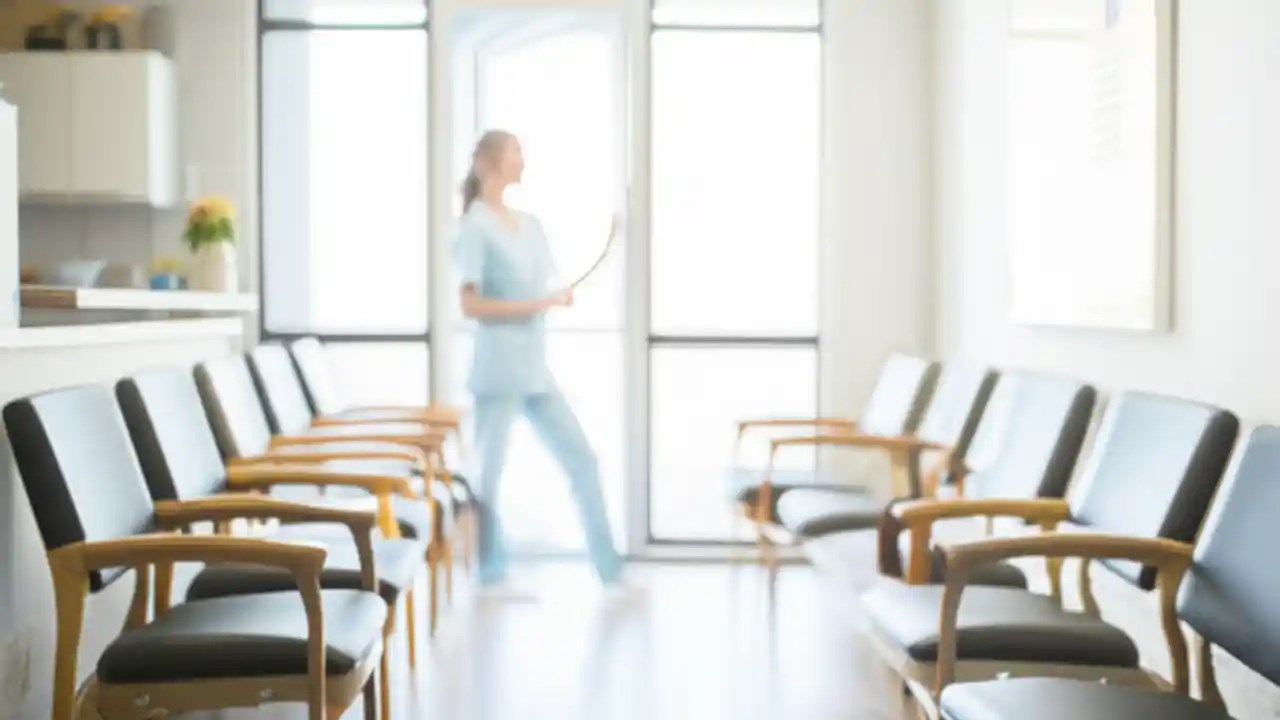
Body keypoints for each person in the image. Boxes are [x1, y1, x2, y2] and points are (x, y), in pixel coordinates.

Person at [454, 129, 624, 587]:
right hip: (497, 369)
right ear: (491, 163)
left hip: (534, 368)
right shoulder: (474, 227)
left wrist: (553, 297)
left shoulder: (529, 224)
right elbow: (470, 306)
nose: (523, 160)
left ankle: (610, 568)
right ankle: (489, 574)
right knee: (486, 477)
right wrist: (536, 305)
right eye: (516, 153)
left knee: (583, 460)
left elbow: (546, 287)